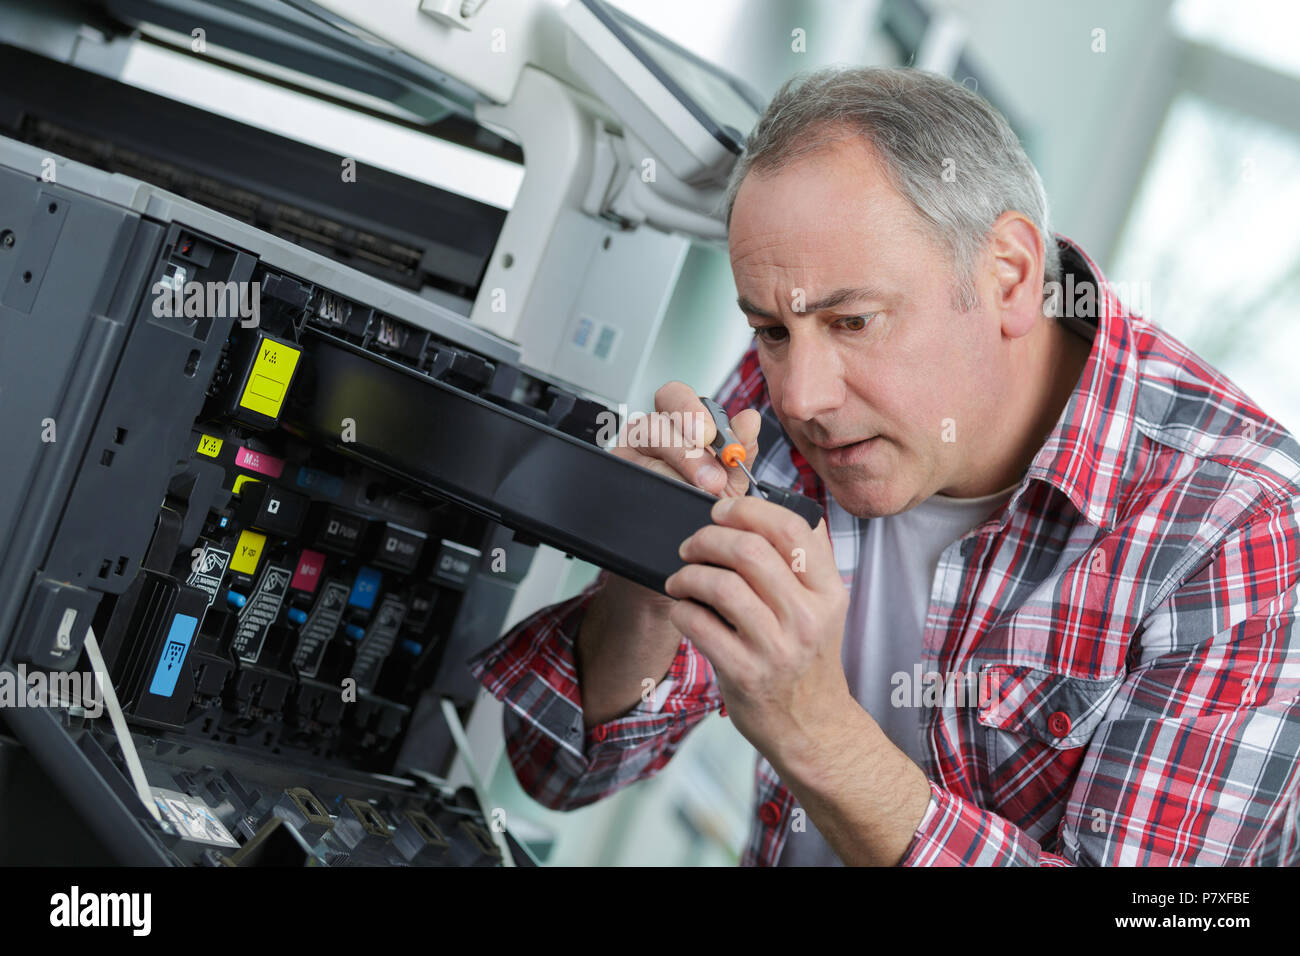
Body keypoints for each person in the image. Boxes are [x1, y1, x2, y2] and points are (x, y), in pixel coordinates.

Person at [468, 66, 1300, 866]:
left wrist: (811, 726)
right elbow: (564, 772)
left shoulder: (1240, 529)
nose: (800, 396)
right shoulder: (794, 389)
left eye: (856, 322)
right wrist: (643, 589)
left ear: (1008, 276)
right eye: (770, 329)